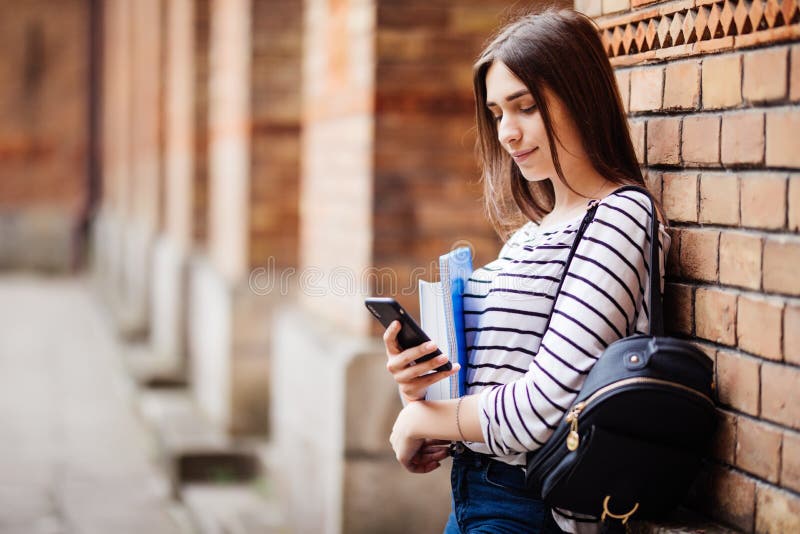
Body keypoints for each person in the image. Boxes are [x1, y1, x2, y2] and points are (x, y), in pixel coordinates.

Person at [381, 7, 671, 534]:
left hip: (537, 505)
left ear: (581, 96)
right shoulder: (528, 236)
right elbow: (492, 385)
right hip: (474, 492)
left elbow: (545, 406)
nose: (508, 133)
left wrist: (423, 421)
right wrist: (418, 390)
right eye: (496, 113)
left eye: (526, 107)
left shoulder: (620, 215)